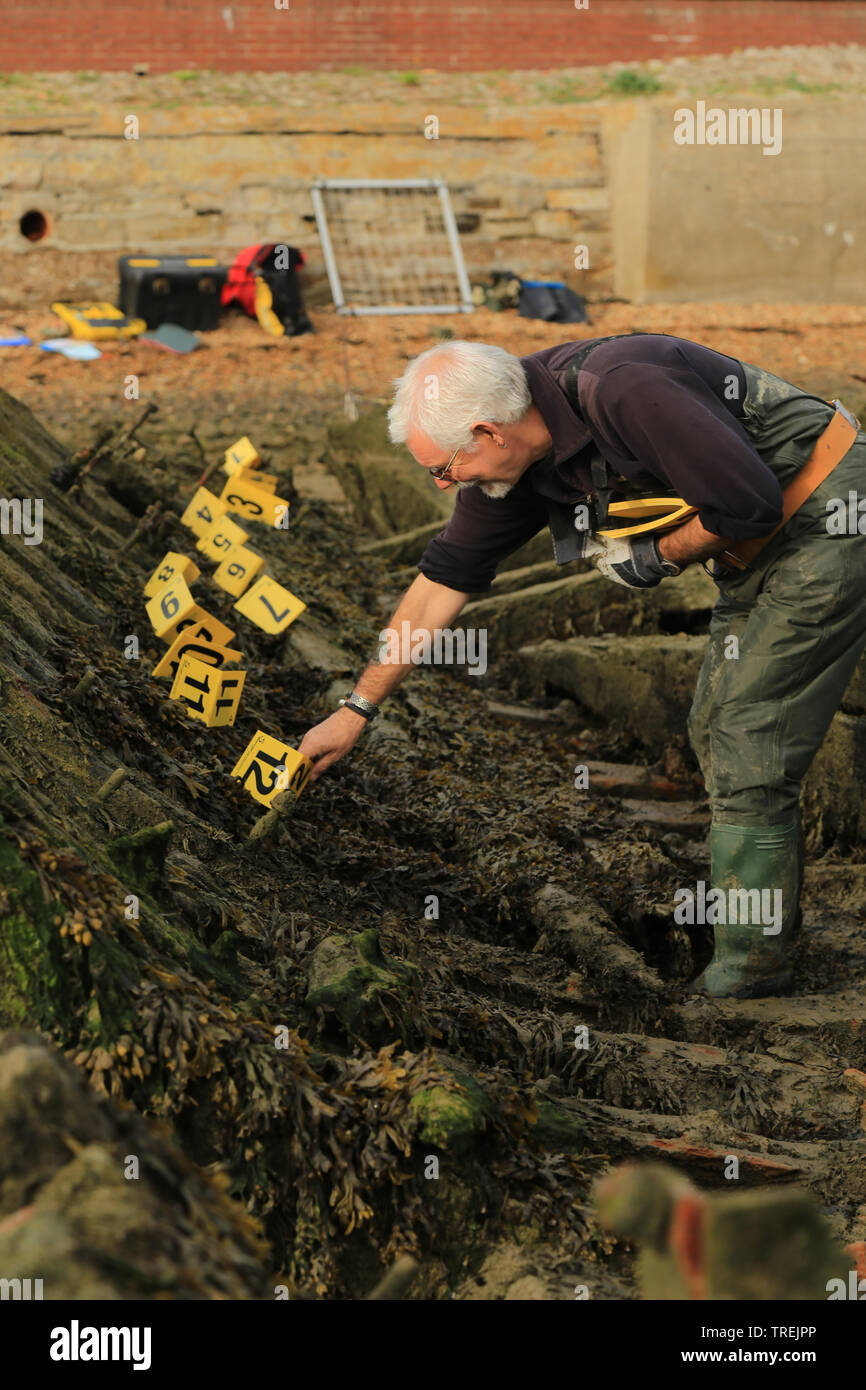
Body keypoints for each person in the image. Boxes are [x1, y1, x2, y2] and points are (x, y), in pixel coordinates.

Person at [298, 334, 866, 999]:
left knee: (748, 732)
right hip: (755, 541)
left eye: (446, 467)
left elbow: (747, 503)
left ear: (488, 430)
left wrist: (654, 557)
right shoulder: (517, 460)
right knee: (713, 722)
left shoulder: (623, 389)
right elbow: (439, 584)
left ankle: (750, 970)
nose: (444, 483)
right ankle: (760, 922)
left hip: (825, 508)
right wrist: (355, 710)